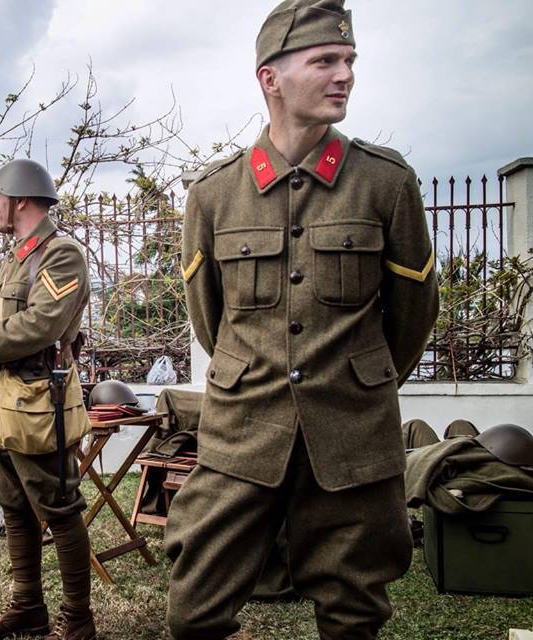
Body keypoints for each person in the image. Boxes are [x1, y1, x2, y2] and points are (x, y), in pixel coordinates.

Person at [165, 1, 439, 638]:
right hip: (242, 432)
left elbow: (412, 318)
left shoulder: (385, 182)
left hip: (351, 431)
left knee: (353, 615)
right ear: (271, 78)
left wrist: (356, 379)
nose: (344, 74)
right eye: (325, 61)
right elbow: (212, 321)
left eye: (349, 61)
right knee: (194, 612)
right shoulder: (214, 195)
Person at [0, 158, 96, 640]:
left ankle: (78, 621)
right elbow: (4, 322)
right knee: (12, 504)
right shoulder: (17, 256)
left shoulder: (61, 254)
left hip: (38, 400)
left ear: (20, 199)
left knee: (58, 506)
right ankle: (28, 605)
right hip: (2, 397)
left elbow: (41, 325)